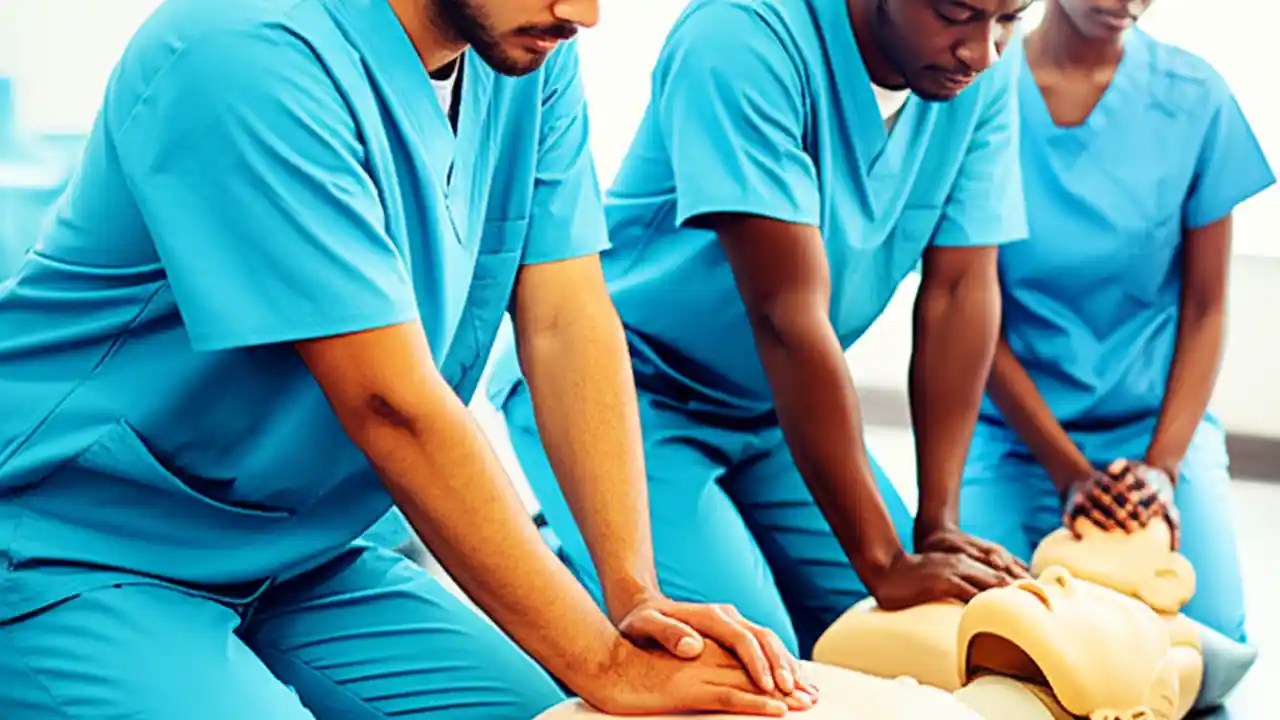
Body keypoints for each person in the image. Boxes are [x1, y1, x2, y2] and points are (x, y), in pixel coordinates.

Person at [0, 0, 816, 717]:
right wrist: (603, 663)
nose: (584, 13)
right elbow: (390, 405)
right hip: (72, 540)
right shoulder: (243, 48)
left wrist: (634, 597)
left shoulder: (522, 52)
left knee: (548, 714)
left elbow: (567, 319)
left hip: (299, 548)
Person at [490, 0, 1036, 658]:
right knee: (749, 664)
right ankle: (576, 562)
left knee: (932, 638)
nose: (982, 51)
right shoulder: (739, 36)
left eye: (1010, 17)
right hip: (628, 393)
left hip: (775, 412)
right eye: (955, 13)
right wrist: (885, 561)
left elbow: (958, 292)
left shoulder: (981, 73)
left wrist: (937, 523)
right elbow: (786, 319)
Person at [958, 0, 1274, 646]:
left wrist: (1163, 468)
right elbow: (965, 313)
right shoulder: (979, 89)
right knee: (991, 632)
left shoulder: (1195, 98)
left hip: (1156, 428)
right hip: (1018, 435)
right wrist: (1068, 472)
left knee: (1209, 644)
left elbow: (1206, 307)